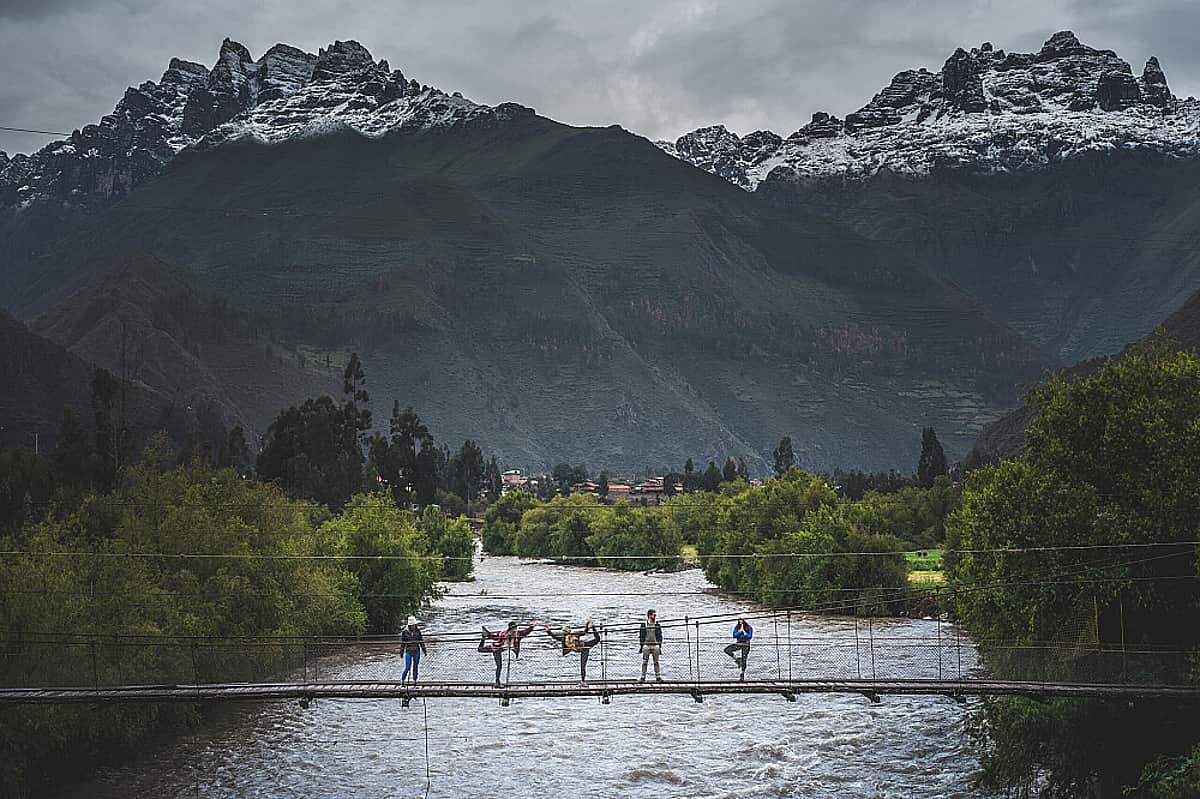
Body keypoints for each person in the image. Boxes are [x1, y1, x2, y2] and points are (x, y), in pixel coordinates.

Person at [479, 620, 537, 687]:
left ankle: (497, 682)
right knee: (480, 650)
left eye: (515, 628)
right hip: (496, 648)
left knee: (499, 666)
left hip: (501, 649)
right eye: (513, 629)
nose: (514, 630)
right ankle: (483, 637)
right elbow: (493, 636)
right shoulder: (504, 634)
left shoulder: (518, 634)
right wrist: (487, 633)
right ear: (510, 629)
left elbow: (526, 631)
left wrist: (532, 626)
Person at [545, 619, 602, 685]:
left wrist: (588, 626)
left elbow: (584, 632)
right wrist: (548, 631)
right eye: (564, 632)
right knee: (582, 666)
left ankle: (583, 682)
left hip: (585, 647)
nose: (565, 633)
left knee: (583, 665)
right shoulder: (563, 638)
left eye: (566, 632)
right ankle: (583, 681)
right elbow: (554, 636)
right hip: (579, 648)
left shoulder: (575, 634)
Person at [638, 608, 663, 682]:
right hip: (646, 645)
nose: (654, 616)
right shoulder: (644, 625)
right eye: (653, 615)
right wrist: (642, 645)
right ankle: (643, 677)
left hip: (655, 645)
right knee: (645, 661)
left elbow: (660, 635)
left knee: (656, 662)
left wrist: (659, 644)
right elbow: (641, 635)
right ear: (649, 615)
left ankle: (658, 677)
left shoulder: (657, 624)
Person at [401, 615, 428, 684]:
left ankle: (415, 680)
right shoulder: (404, 632)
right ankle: (402, 680)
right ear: (409, 625)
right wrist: (401, 652)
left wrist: (424, 650)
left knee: (415, 667)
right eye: (412, 625)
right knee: (407, 667)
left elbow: (421, 641)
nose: (414, 626)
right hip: (408, 651)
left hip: (416, 651)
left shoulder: (418, 631)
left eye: (414, 625)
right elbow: (403, 643)